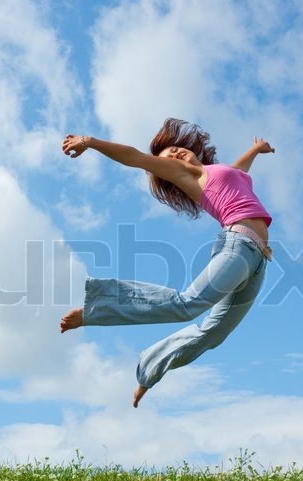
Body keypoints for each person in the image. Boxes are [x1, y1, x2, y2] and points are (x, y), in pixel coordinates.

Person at [59, 119, 274, 408]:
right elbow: (134, 157)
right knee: (187, 305)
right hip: (239, 246)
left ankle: (149, 369)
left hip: (259, 259)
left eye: (176, 148)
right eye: (168, 158)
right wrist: (89, 141)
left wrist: (256, 150)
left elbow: (238, 170)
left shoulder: (220, 172)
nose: (175, 154)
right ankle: (97, 307)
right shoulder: (186, 174)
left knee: (214, 333)